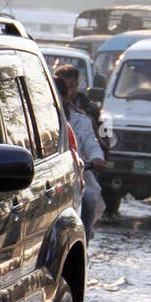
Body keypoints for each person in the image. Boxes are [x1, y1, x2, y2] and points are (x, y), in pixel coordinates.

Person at [54, 64, 106, 236]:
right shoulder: (42, 118)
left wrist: (98, 157)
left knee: (89, 198)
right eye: (64, 89)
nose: (68, 94)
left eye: (71, 88)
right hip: (50, 177)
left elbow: (94, 141)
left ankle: (85, 236)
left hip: (77, 174)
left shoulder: (88, 113)